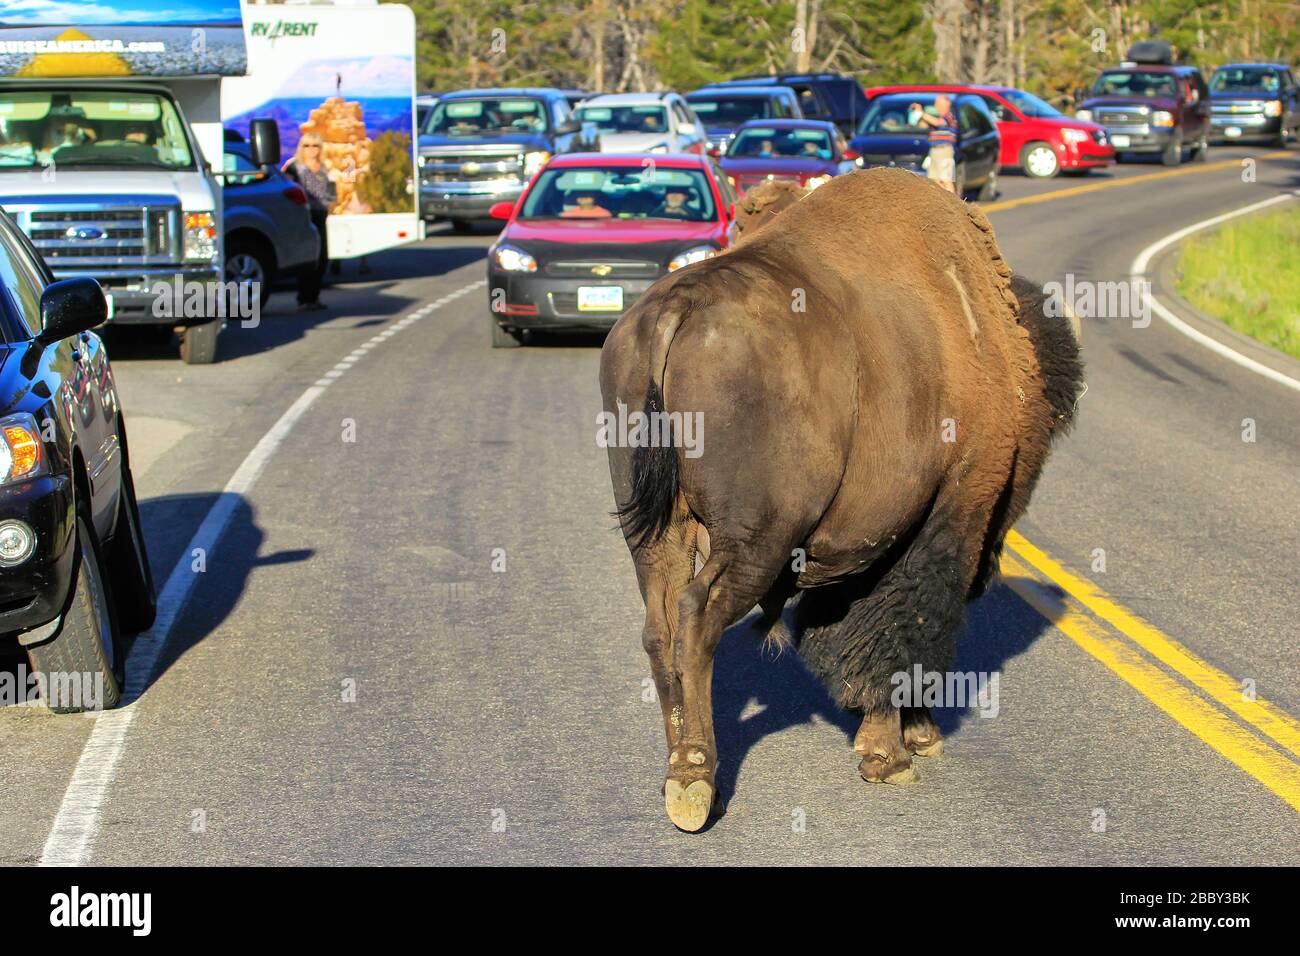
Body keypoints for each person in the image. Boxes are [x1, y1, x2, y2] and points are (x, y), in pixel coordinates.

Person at [282, 132, 336, 310]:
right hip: (303, 214)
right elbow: (284, 187)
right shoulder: (294, 167)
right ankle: (303, 298)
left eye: (315, 146)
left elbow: (341, 184)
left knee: (322, 256)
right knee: (307, 255)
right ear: (301, 147)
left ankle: (314, 297)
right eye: (307, 145)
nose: (311, 149)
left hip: (321, 213)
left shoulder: (326, 167)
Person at [910, 95, 958, 195]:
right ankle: (944, 198)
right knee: (934, 180)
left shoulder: (949, 117)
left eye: (938, 104)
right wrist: (917, 115)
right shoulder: (938, 117)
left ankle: (954, 202)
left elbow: (937, 123)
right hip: (934, 151)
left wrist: (921, 113)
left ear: (945, 105)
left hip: (944, 150)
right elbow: (923, 125)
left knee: (946, 179)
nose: (936, 106)